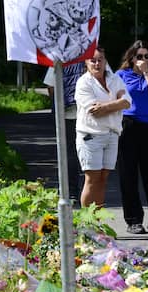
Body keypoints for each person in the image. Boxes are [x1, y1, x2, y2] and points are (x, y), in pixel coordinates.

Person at [116, 40, 148, 234]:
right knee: (128, 174)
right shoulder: (121, 75)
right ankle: (133, 220)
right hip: (128, 125)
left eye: (146, 56)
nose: (143, 60)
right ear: (131, 58)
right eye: (139, 56)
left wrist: (146, 72)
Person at [73, 46, 130, 209]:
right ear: (86, 62)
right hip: (91, 135)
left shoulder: (114, 79)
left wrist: (107, 105)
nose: (97, 64)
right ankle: (87, 225)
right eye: (93, 60)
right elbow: (94, 110)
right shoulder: (84, 82)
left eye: (100, 60)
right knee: (92, 178)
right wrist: (117, 103)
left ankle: (97, 223)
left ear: (105, 61)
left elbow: (127, 102)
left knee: (103, 178)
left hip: (112, 134)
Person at [44, 62, 85, 203]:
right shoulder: (90, 56)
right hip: (88, 114)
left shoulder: (58, 58)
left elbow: (50, 87)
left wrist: (60, 103)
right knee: (86, 155)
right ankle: (86, 192)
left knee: (70, 154)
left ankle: (71, 192)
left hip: (66, 114)